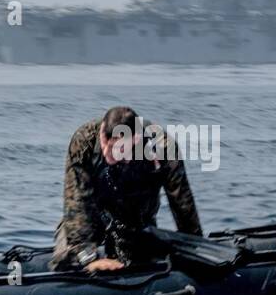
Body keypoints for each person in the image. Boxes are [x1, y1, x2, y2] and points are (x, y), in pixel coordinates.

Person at [52, 106, 202, 272]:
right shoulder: (84, 141)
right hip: (91, 218)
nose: (109, 154)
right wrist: (88, 258)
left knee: (142, 266)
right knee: (65, 260)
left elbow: (182, 203)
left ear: (136, 139)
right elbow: (76, 201)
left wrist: (196, 250)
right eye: (106, 145)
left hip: (135, 224)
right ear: (102, 131)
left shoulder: (162, 147)